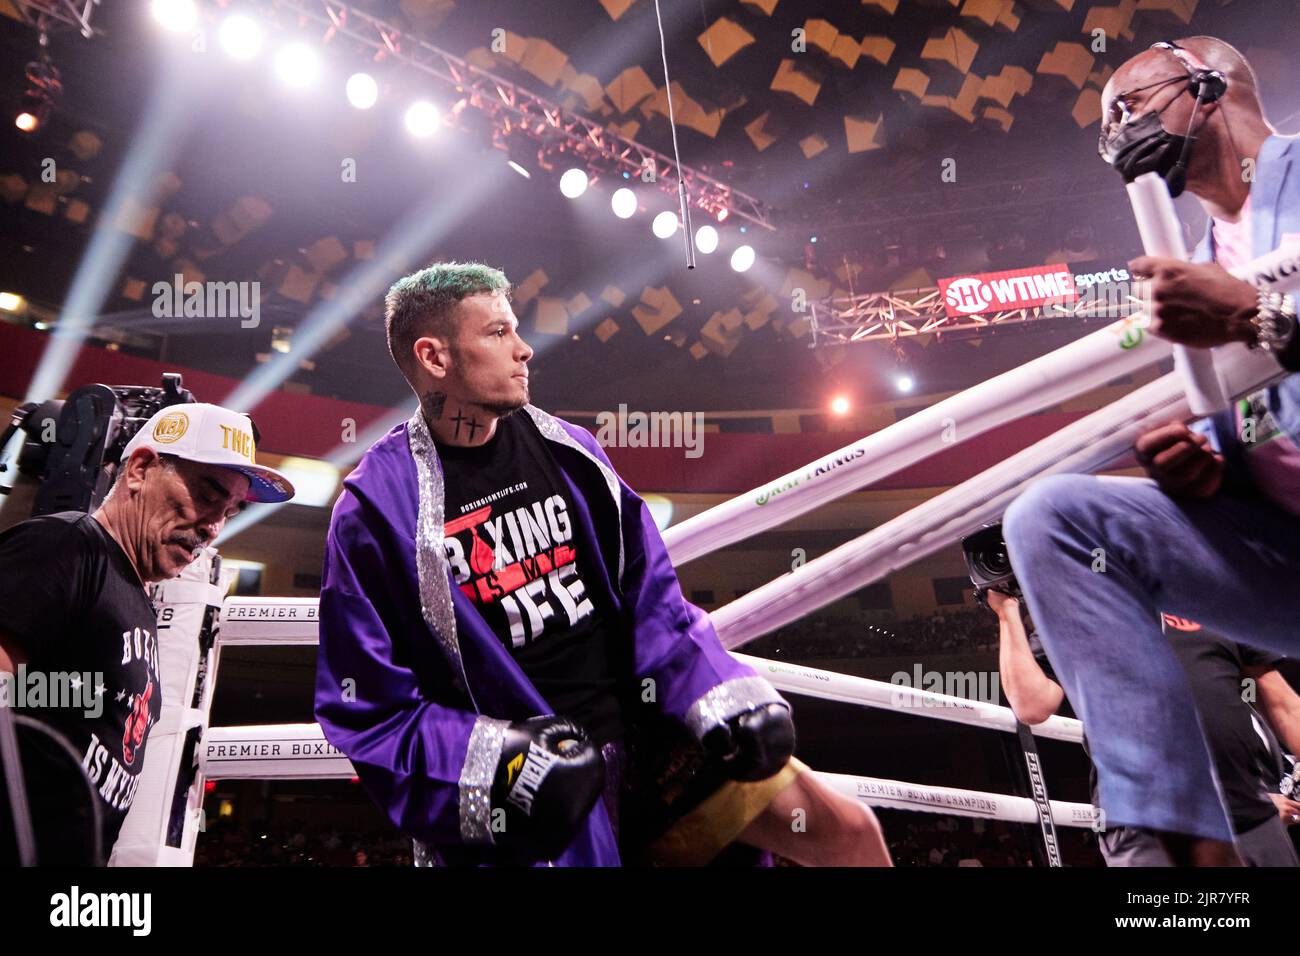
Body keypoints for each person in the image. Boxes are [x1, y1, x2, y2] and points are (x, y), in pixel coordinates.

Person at [314, 261, 891, 866]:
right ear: (434, 357)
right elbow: (369, 706)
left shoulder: (572, 450)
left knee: (846, 830)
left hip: (654, 740)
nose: (524, 349)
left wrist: (719, 693)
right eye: (498, 333)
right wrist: (499, 764)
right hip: (536, 792)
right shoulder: (376, 508)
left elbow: (655, 600)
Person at [1003, 37, 1300, 865]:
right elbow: (1260, 427)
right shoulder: (1195, 266)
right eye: (1107, 125)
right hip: (1284, 555)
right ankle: (1178, 836)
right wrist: (1206, 466)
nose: (1117, 134)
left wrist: (1259, 317)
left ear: (1207, 83)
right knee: (1052, 518)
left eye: (1130, 106)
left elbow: (1263, 325)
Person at [0, 402, 294, 864]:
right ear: (139, 469)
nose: (214, 526)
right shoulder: (66, 547)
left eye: (231, 511)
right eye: (208, 494)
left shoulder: (134, 598)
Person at [990, 589, 1300, 866]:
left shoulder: (1212, 598)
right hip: (1144, 825)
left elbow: (1284, 704)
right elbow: (1031, 705)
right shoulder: (1077, 608)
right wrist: (1007, 611)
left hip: (1250, 813)